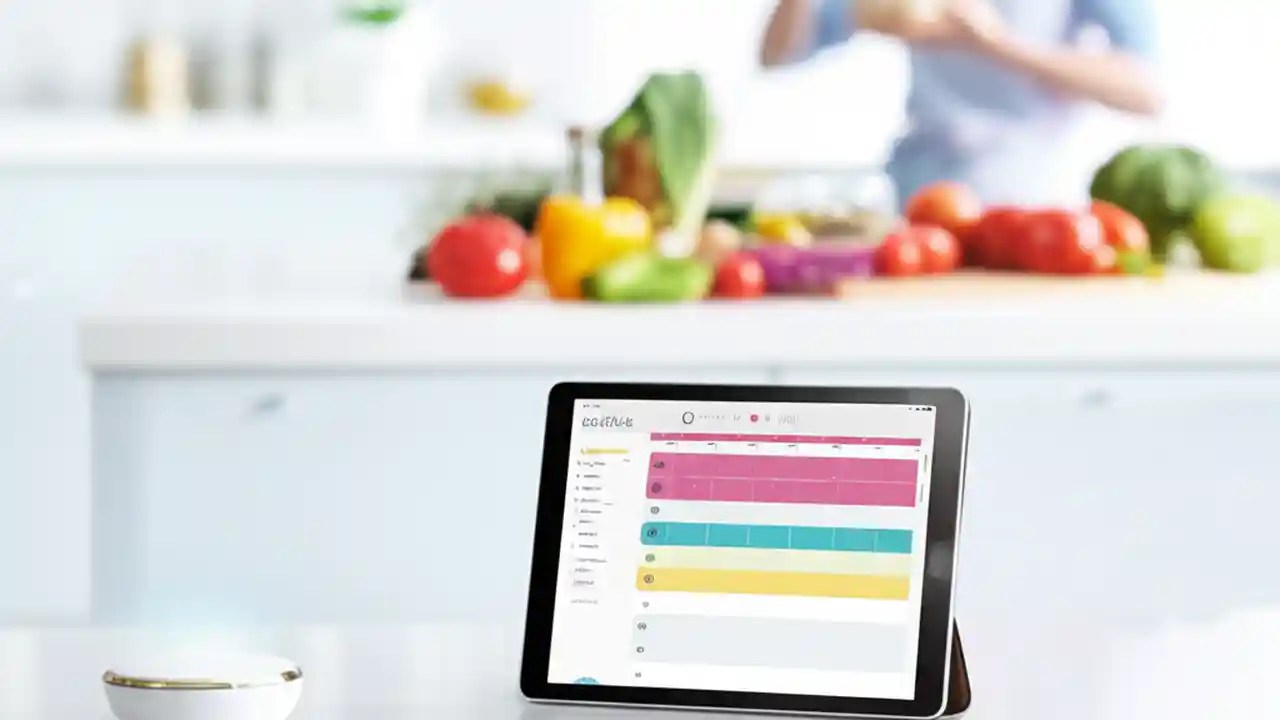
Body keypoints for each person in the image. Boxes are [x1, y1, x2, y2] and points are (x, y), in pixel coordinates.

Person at [760, 0, 1162, 207]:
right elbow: (778, 54)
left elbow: (1143, 90)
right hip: (919, 197)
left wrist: (993, 43)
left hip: (1032, 195)